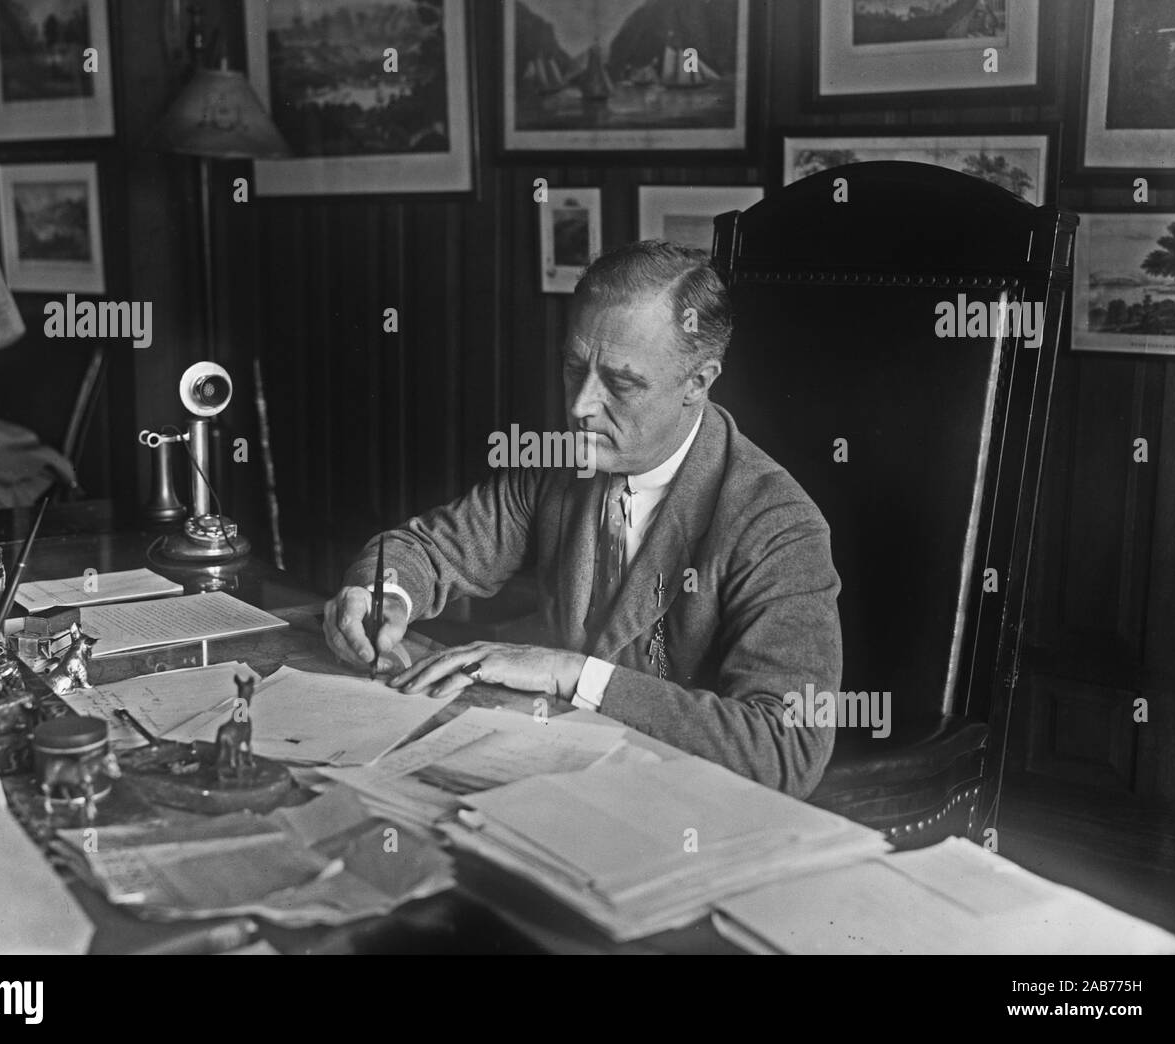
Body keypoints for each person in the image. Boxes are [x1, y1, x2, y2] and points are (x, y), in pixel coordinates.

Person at [322, 240, 842, 798]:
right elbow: (429, 549)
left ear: (698, 382)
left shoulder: (776, 524)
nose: (580, 407)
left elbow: (786, 747)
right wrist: (384, 596)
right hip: (551, 777)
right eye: (574, 368)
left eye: (621, 383)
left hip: (684, 812)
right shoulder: (560, 462)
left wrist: (568, 672)